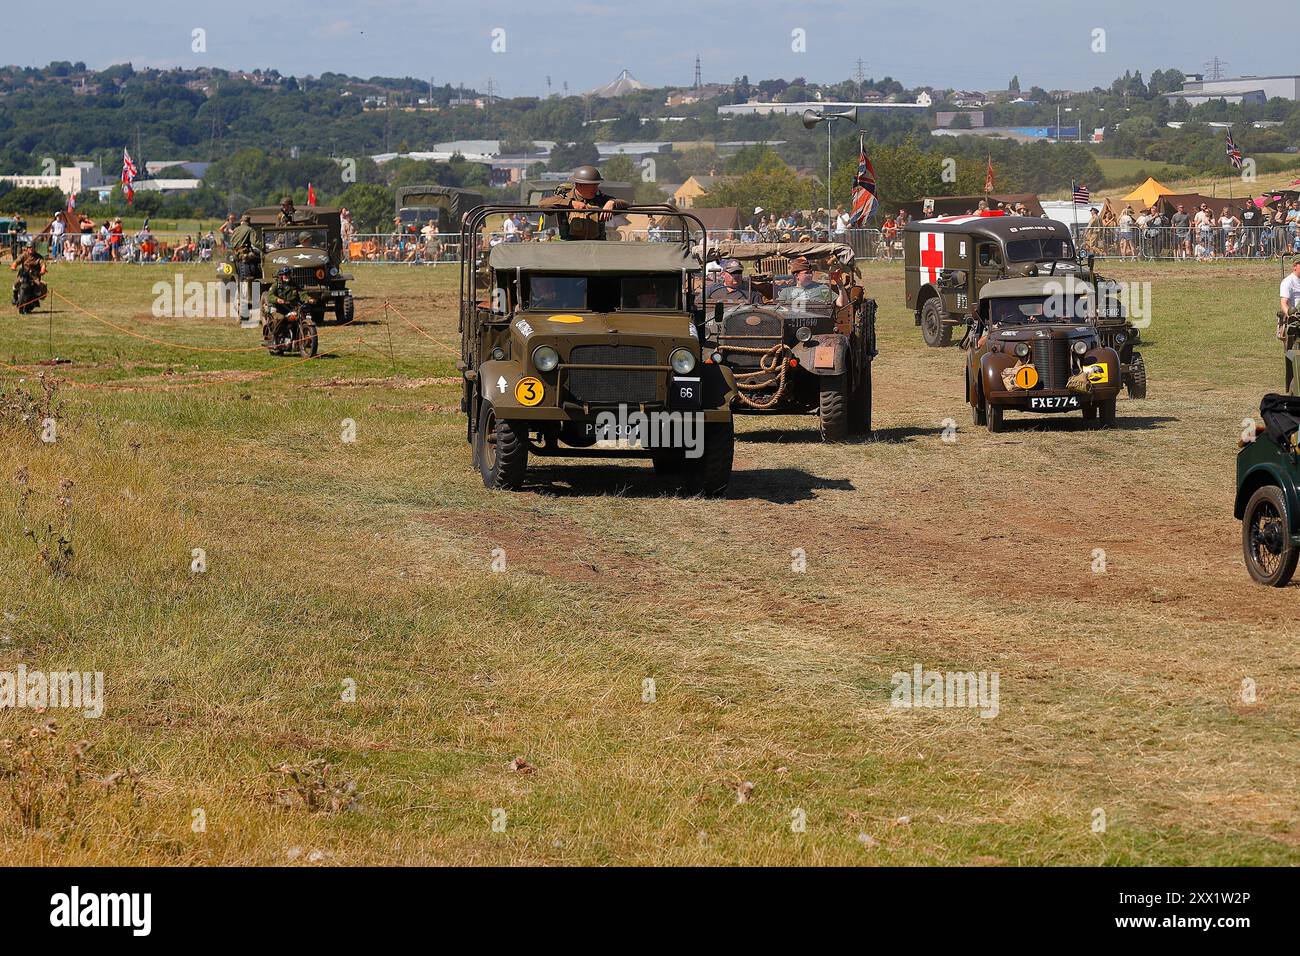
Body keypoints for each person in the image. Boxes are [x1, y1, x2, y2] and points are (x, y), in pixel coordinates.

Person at [539, 165, 628, 240]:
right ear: (579, 185)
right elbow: (542, 204)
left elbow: (626, 204)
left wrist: (611, 202)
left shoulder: (600, 198)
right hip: (570, 248)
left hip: (598, 247)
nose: (596, 189)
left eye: (597, 185)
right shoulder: (564, 198)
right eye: (592, 186)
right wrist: (570, 204)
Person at [777, 257, 845, 307]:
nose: (810, 275)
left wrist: (839, 284)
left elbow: (841, 303)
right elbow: (780, 311)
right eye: (806, 273)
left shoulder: (822, 289)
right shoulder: (786, 292)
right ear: (797, 275)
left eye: (811, 272)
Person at [262, 266, 302, 346]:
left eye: (288, 274)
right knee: (281, 318)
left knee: (298, 317)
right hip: (277, 309)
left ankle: (296, 339)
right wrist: (277, 299)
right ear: (281, 276)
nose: (286, 276)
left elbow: (302, 293)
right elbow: (270, 296)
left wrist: (308, 299)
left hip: (289, 308)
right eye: (284, 274)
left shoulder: (294, 285)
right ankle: (274, 337)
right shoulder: (275, 285)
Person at [10, 244, 47, 310]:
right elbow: (16, 261)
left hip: (34, 275)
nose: (31, 249)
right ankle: (15, 297)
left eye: (32, 247)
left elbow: (43, 264)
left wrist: (42, 270)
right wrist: (14, 266)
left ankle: (36, 298)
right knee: (16, 283)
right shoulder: (24, 255)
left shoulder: (38, 257)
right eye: (29, 248)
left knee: (39, 285)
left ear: (34, 248)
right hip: (24, 274)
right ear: (27, 248)